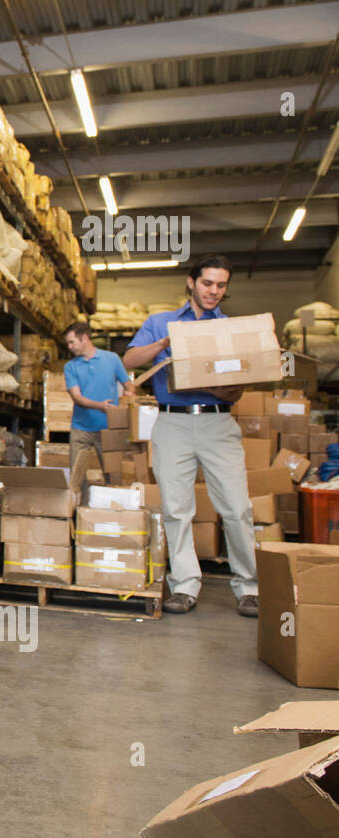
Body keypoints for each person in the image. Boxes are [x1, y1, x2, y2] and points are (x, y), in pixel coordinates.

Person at [122, 255, 256, 617]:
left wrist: (213, 385)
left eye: (221, 285)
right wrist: (166, 343)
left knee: (237, 507)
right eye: (208, 283)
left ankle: (249, 587)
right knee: (177, 509)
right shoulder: (160, 322)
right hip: (172, 424)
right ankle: (184, 586)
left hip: (217, 422)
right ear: (191, 282)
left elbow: (237, 390)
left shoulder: (228, 328)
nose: (214, 291)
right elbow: (130, 361)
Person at [62, 322, 133, 480]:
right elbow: (77, 398)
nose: (69, 347)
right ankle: (78, 505)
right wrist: (100, 406)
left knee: (113, 476)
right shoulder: (70, 367)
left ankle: (112, 504)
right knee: (76, 477)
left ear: (85, 338)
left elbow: (129, 385)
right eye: (67, 343)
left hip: (108, 428)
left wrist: (128, 394)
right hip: (81, 429)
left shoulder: (112, 359)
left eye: (72, 342)